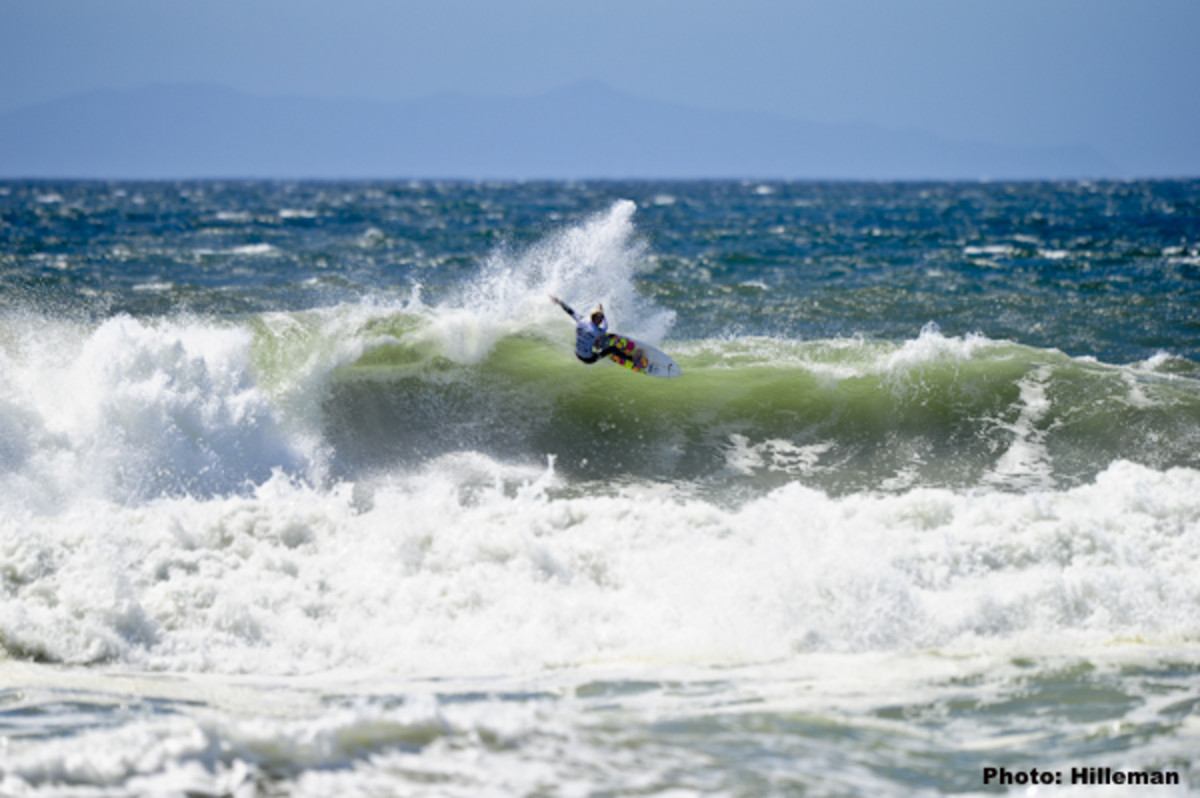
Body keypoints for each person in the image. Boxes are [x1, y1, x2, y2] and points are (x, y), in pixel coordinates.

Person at [550, 295, 641, 365]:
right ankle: (631, 359)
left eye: (600, 318)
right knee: (611, 348)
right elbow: (605, 324)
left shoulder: (581, 320)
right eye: (598, 319)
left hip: (577, 353)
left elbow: (570, 311)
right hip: (589, 359)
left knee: (593, 339)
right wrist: (602, 312)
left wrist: (559, 302)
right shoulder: (598, 330)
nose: (600, 320)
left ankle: (597, 344)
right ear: (593, 318)